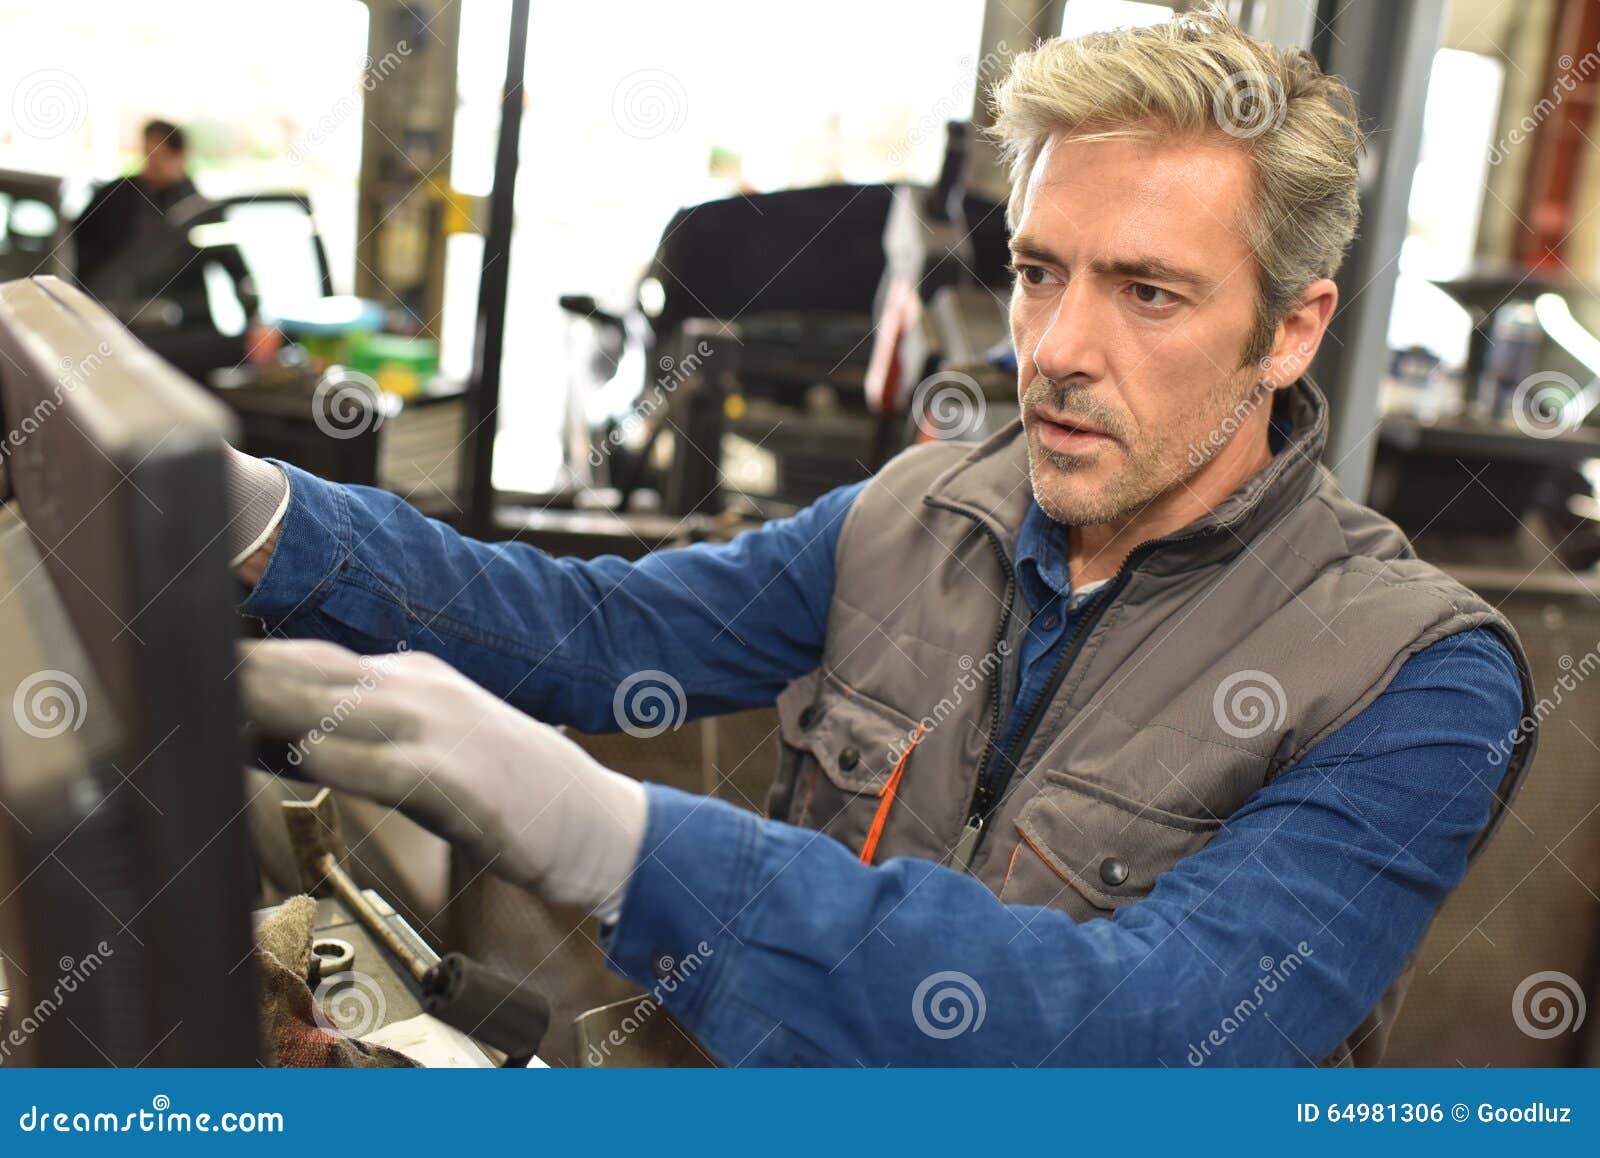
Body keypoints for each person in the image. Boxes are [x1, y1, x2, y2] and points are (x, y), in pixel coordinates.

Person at [224, 11, 1537, 1066]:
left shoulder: (1413, 678)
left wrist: (623, 845)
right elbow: (597, 634)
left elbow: (1152, 1028)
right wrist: (260, 520)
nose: (1060, 351)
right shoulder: (918, 517)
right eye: (1038, 272)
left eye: (1148, 291)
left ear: (1293, 329)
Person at [72, 119, 198, 290]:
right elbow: (76, 238)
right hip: (115, 301)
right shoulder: (116, 193)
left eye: (161, 158)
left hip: (180, 304)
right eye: (149, 156)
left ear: (180, 156)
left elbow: (225, 256)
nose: (152, 166)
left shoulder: (197, 205)